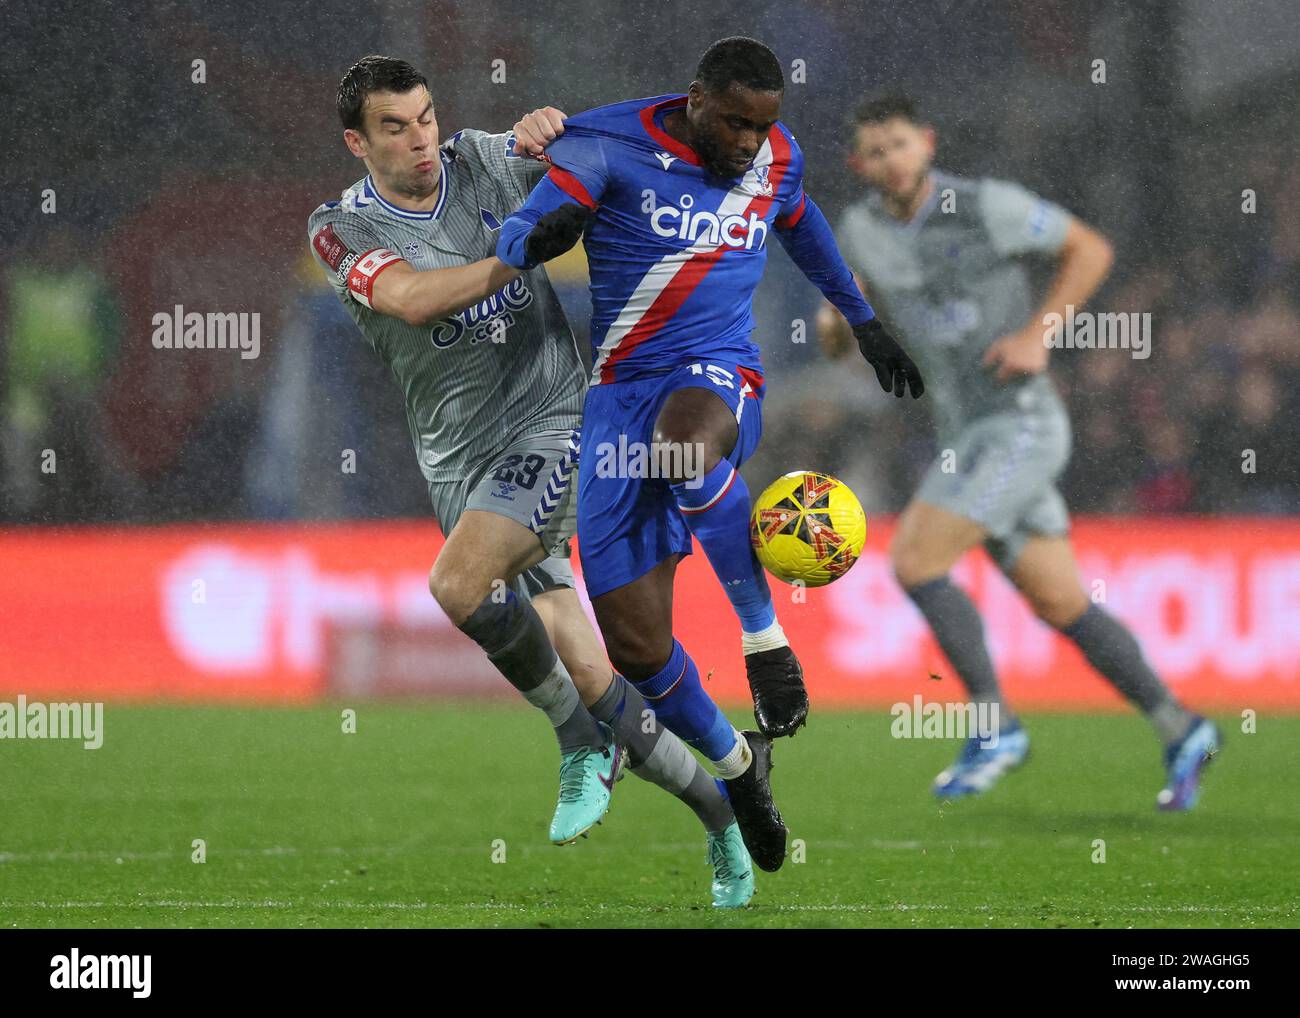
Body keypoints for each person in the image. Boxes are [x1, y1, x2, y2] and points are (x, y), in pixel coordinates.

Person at [307, 55, 755, 907]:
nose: (422, 140)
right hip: (460, 464)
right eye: (395, 129)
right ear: (356, 143)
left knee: (458, 582)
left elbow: (595, 166)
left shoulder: (484, 159)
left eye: (427, 117)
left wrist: (558, 135)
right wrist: (518, 254)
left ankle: (579, 743)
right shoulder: (339, 228)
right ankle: (723, 816)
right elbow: (409, 301)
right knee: (590, 670)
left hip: (556, 423)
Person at [498, 37, 924, 871]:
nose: (747, 143)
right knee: (635, 646)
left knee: (685, 447)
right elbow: (517, 238)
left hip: (718, 375)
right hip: (619, 401)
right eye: (733, 123)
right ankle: (740, 765)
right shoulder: (607, 144)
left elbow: (802, 223)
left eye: (762, 127)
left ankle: (765, 641)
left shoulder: (776, 157)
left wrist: (863, 321)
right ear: (695, 98)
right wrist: (544, 235)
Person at [817, 95, 1220, 809]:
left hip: (1020, 423)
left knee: (916, 558)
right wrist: (841, 326)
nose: (890, 160)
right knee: (1060, 599)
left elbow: (1088, 249)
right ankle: (1180, 725)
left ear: (928, 143)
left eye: (900, 144)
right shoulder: (857, 231)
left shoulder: (986, 206)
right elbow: (851, 327)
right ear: (858, 164)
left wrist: (1041, 333)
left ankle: (994, 725)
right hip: (962, 431)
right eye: (875, 151)